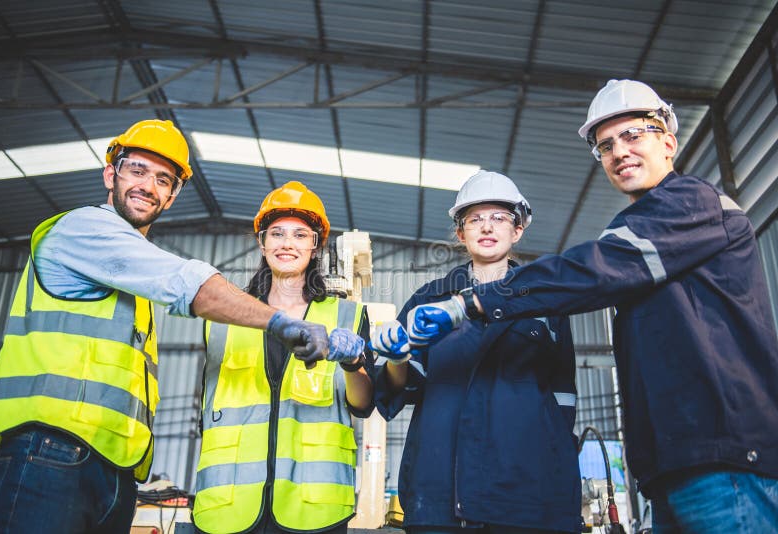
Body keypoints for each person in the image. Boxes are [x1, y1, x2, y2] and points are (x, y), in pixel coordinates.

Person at [399, 80, 778, 532]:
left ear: (668, 141)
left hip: (725, 456)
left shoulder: (690, 205)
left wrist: (472, 303)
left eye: (633, 135)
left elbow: (590, 272)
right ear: (459, 232)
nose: (620, 152)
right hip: (678, 463)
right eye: (606, 145)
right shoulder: (641, 229)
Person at [0, 121, 356, 533]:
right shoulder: (83, 230)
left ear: (173, 196)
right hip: (49, 449)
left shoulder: (132, 279)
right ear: (111, 173)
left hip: (110, 465)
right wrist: (281, 322)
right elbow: (190, 284)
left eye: (163, 179)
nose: (148, 186)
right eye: (137, 170)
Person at [371, 170, 582, 533]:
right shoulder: (429, 299)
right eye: (475, 219)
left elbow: (562, 397)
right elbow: (397, 389)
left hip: (527, 489)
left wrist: (553, 458)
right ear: (460, 233)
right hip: (439, 487)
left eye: (499, 218)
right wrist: (396, 358)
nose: (487, 227)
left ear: (517, 230)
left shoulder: (545, 299)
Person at [192, 181, 375, 534]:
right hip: (228, 505)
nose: (287, 244)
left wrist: (353, 362)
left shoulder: (346, 315)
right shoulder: (223, 317)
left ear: (316, 244)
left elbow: (363, 405)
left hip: (313, 507)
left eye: (300, 235)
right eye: (276, 234)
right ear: (262, 243)